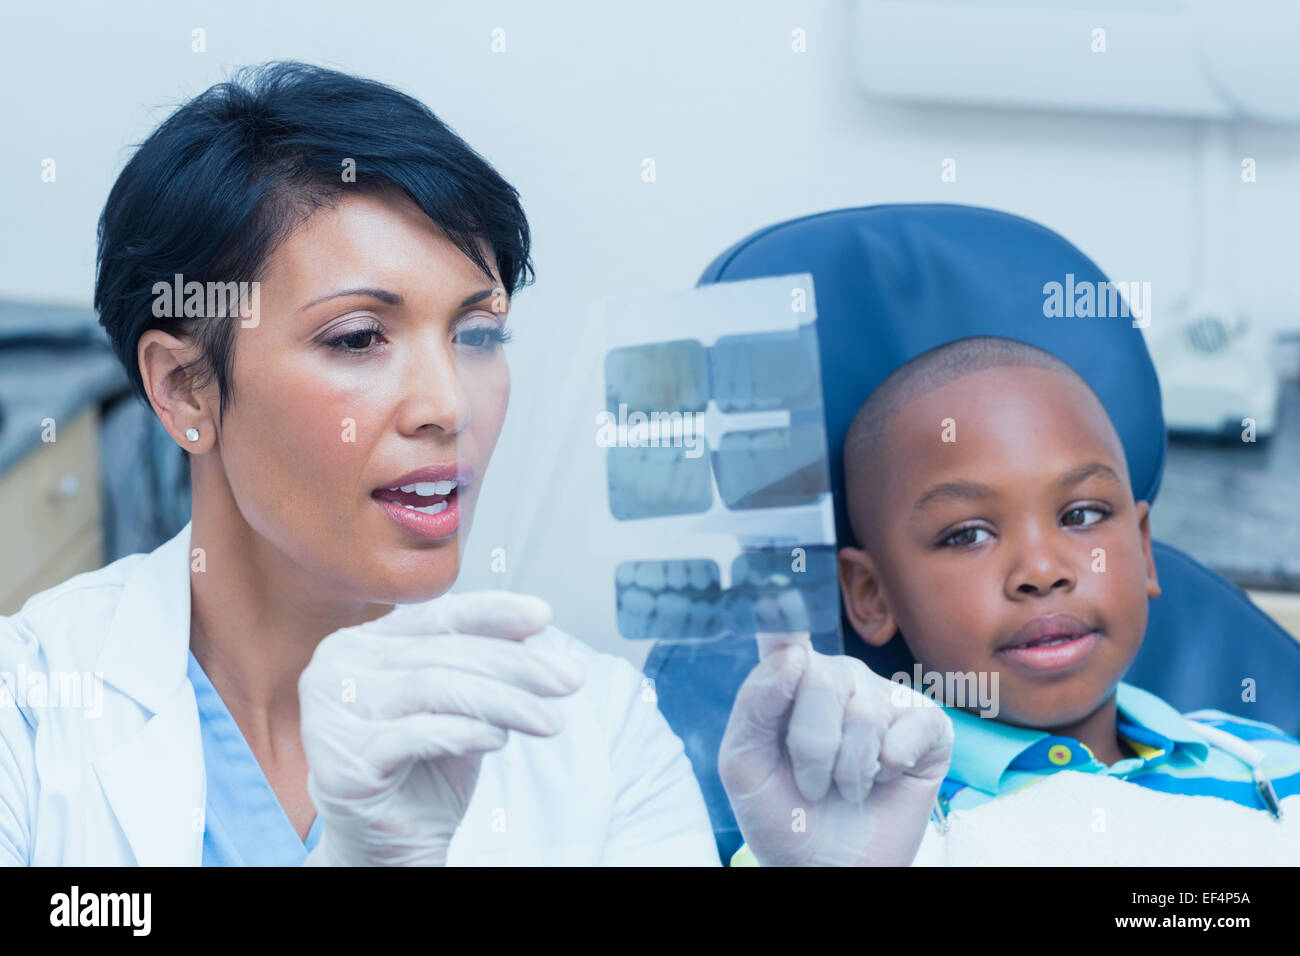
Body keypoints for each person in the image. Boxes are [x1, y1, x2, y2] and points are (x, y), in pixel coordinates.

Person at [0, 61, 935, 867]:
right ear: (186, 389)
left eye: (479, 333)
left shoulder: (598, 733)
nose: (449, 405)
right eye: (360, 338)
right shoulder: (29, 716)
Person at [744, 334, 1297, 865]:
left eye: (1081, 515)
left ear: (1143, 549)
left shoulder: (1268, 766)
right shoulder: (837, 826)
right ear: (872, 595)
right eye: (967, 535)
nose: (1041, 572)